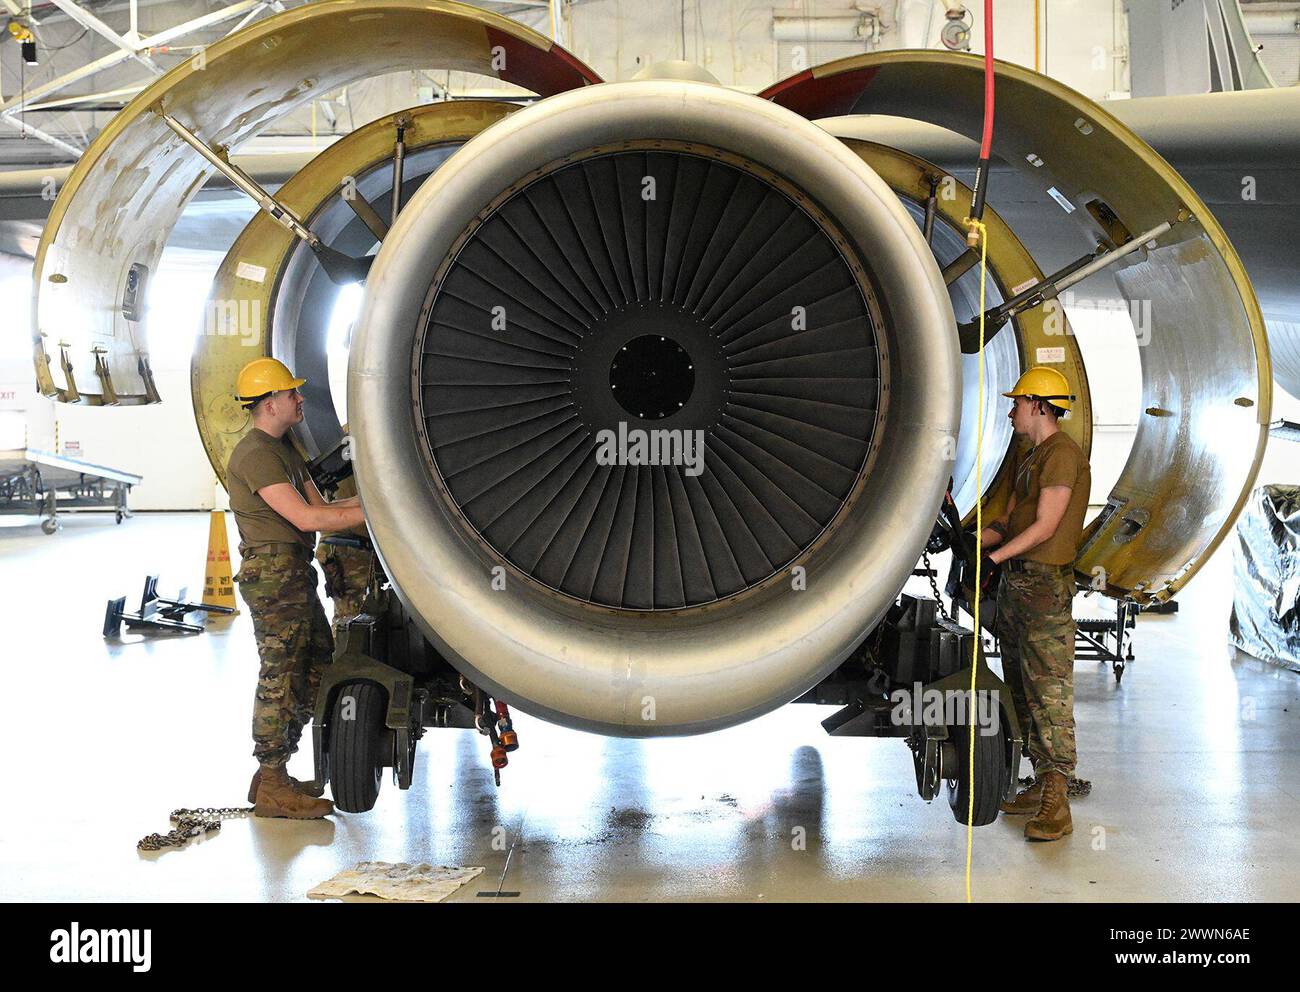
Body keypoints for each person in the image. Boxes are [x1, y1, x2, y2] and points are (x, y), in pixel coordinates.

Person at [226, 358, 366, 819]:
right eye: (291, 394)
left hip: (294, 569)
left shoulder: (284, 449)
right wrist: (382, 509)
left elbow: (323, 505)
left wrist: (375, 497)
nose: (300, 398)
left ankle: (276, 774)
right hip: (272, 575)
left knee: (313, 666)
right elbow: (309, 520)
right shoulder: (255, 455)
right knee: (280, 674)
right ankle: (271, 777)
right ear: (270, 404)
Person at [977, 367, 1091, 842]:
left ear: (1039, 406)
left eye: (1017, 403)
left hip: (1043, 588)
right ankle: (1040, 783)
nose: (1010, 411)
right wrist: (974, 543)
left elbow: (1046, 525)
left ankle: (1057, 802)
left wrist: (996, 556)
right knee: (1022, 689)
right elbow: (1010, 518)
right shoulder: (1032, 455)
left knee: (1049, 693)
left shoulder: (1062, 455)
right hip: (1018, 587)